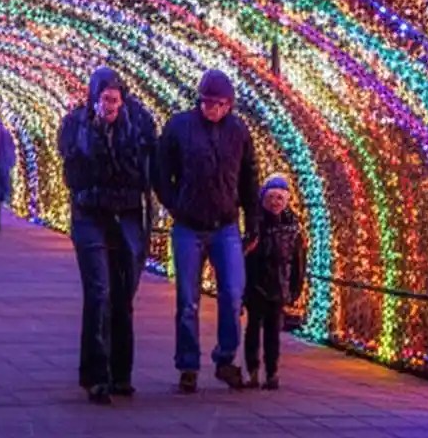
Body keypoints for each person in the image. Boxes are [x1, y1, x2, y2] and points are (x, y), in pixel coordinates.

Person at [155, 69, 261, 394]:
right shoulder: (179, 127)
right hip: (188, 226)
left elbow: (249, 177)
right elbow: (160, 171)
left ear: (229, 105)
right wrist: (175, 204)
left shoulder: (238, 131)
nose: (212, 109)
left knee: (231, 294)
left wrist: (252, 221)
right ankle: (188, 364)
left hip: (225, 225)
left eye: (219, 104)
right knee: (188, 300)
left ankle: (225, 359)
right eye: (207, 103)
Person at [58, 67, 157, 404]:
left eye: (116, 95)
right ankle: (96, 376)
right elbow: (75, 173)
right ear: (94, 97)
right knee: (98, 291)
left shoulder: (139, 125)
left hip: (127, 215)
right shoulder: (76, 125)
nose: (110, 101)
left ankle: (121, 374)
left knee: (123, 294)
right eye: (105, 95)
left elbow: (144, 171)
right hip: (89, 214)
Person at [244, 175, 306, 390]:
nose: (275, 202)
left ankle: (272, 372)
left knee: (272, 332)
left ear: (286, 200)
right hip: (255, 285)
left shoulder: (293, 228)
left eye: (280, 198)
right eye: (271, 197)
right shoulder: (255, 224)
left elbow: (298, 262)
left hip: (278, 286)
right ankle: (252, 370)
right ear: (263, 199)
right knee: (253, 328)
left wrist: (294, 289)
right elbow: (245, 257)